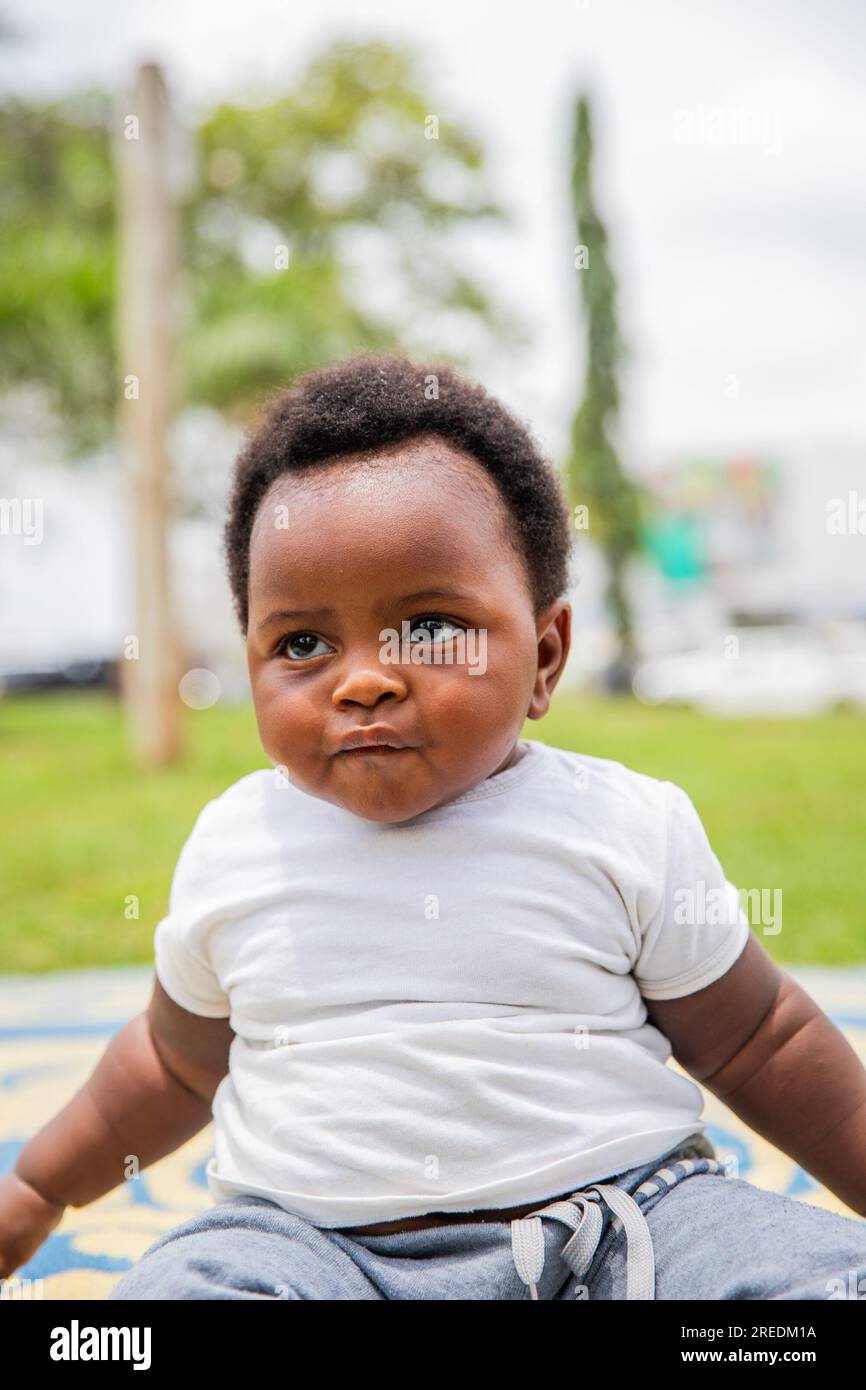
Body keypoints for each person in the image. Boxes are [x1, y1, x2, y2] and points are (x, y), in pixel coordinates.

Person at [3, 353, 866, 1301]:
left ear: (544, 656)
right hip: (311, 1249)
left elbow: (761, 1040)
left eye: (429, 628)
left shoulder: (621, 826)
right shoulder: (237, 846)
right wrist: (41, 1185)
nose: (364, 678)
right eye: (302, 643)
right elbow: (170, 1064)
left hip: (617, 1229)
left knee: (805, 1288)